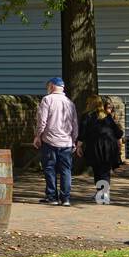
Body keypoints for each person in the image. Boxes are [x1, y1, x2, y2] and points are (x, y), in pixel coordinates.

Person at [34, 76, 79, 206]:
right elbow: (75, 124)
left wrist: (38, 136)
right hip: (66, 142)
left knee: (49, 168)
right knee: (66, 170)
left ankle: (52, 197)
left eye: (48, 86)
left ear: (52, 86)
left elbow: (42, 121)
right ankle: (65, 198)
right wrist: (74, 140)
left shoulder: (47, 100)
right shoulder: (70, 103)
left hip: (50, 140)